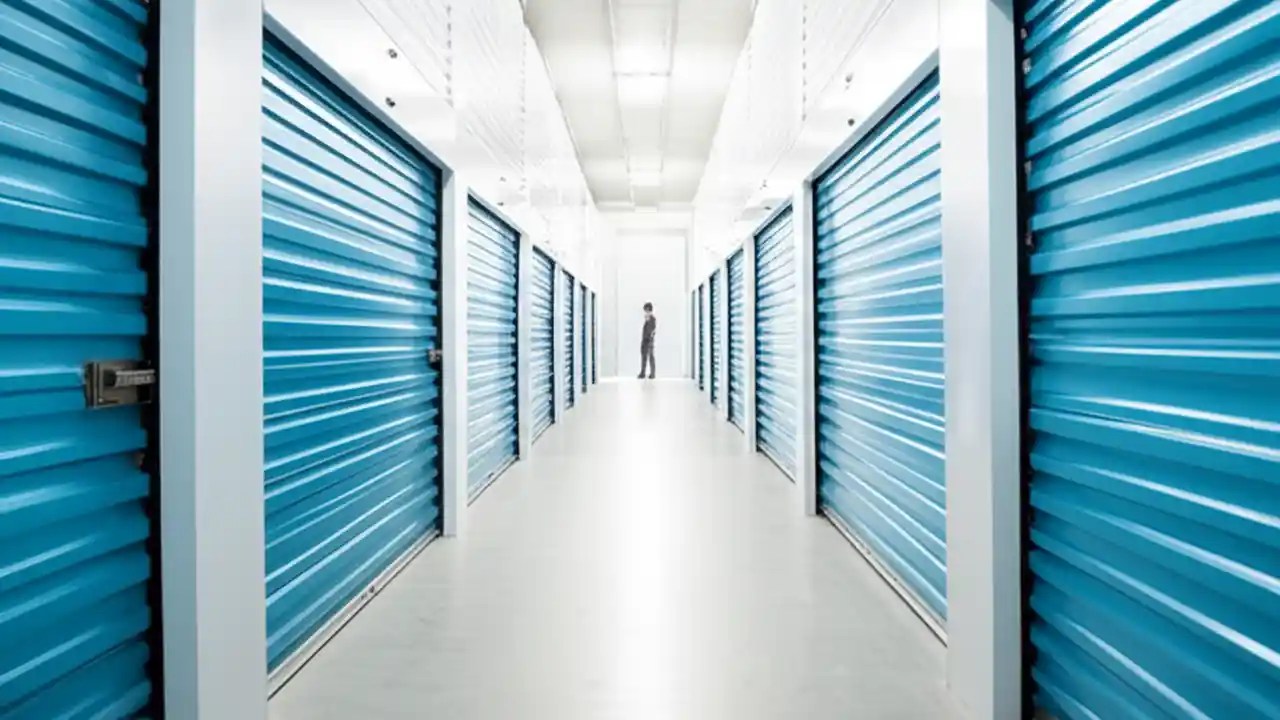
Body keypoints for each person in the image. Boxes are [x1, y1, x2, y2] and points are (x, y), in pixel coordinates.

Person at [638, 302, 656, 379]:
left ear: (649, 310)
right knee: (644, 357)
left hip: (649, 341)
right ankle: (643, 372)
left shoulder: (652, 319)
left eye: (646, 310)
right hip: (645, 340)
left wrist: (648, 320)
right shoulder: (648, 319)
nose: (645, 312)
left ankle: (652, 373)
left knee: (650, 357)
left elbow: (651, 330)